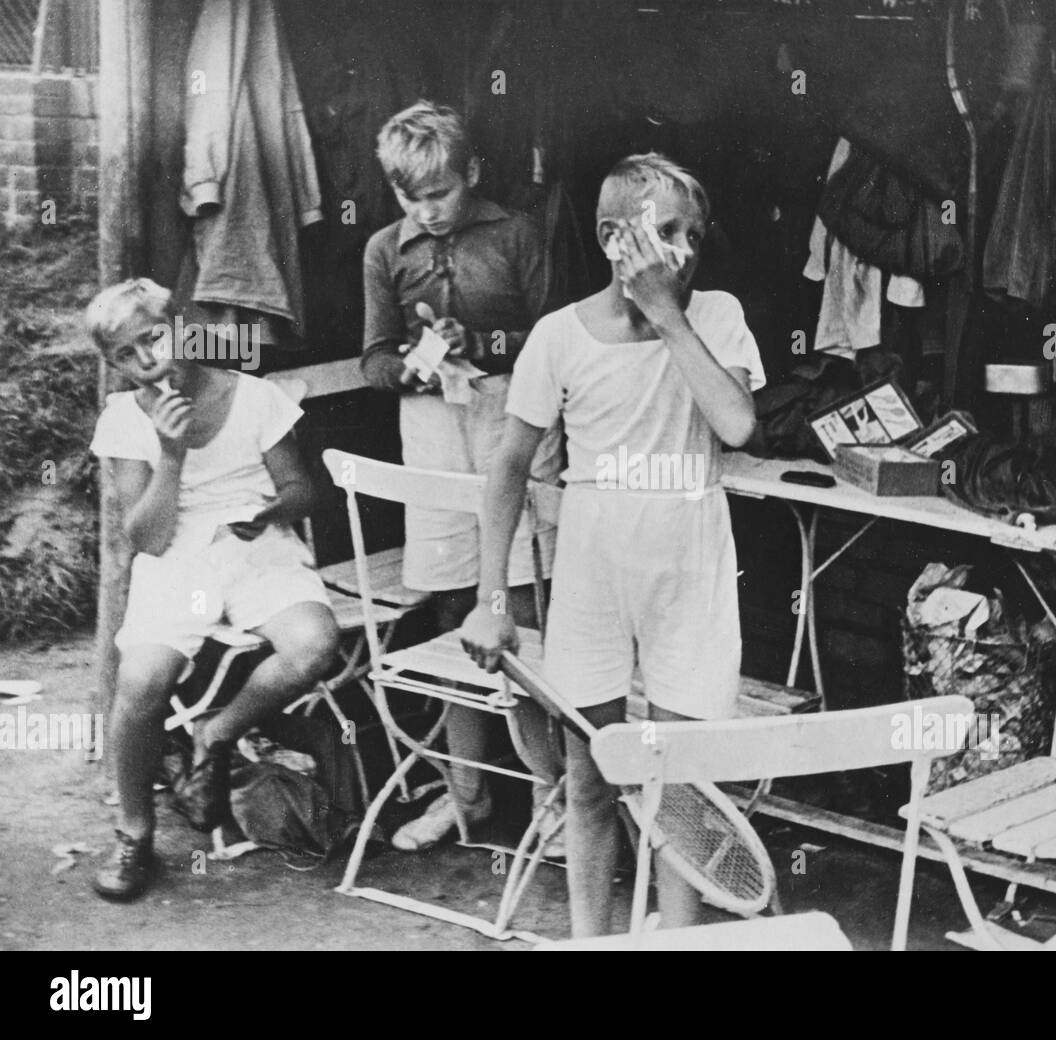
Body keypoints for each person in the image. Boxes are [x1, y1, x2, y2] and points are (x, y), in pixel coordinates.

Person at [460, 153, 766, 936]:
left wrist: (670, 316)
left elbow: (734, 425)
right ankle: (591, 939)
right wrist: (492, 602)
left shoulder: (716, 315)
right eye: (666, 232)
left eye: (695, 235)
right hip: (595, 558)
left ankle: (678, 938)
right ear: (611, 237)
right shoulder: (559, 336)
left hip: (691, 551)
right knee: (590, 774)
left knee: (681, 784)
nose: (685, 251)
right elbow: (506, 474)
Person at [86, 279, 340, 900]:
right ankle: (133, 833)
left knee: (314, 645)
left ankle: (217, 732)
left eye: (155, 337)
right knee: (141, 679)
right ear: (114, 365)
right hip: (177, 555)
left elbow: (305, 492)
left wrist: (271, 510)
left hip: (254, 543)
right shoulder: (123, 418)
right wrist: (169, 455)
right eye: (126, 354)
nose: (147, 359)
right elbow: (144, 537)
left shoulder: (252, 396)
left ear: (183, 324)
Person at [362, 101, 564, 852]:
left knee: (522, 608)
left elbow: (551, 336)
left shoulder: (515, 233)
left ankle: (555, 795)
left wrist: (479, 338)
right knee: (455, 610)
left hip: (512, 416)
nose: (427, 210)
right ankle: (467, 795)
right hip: (432, 429)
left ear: (470, 173)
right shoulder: (386, 249)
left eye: (439, 193)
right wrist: (408, 369)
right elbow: (373, 357)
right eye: (410, 197)